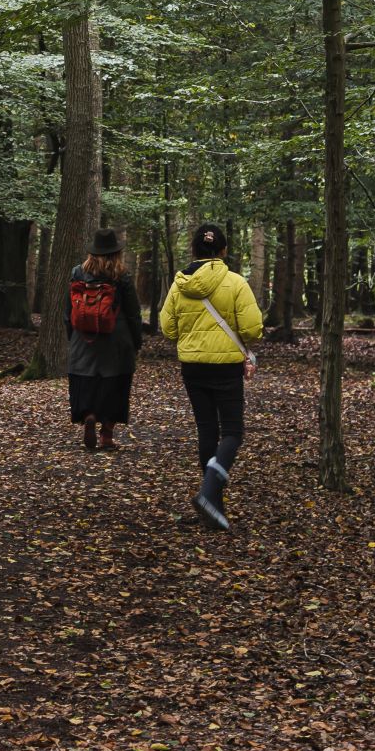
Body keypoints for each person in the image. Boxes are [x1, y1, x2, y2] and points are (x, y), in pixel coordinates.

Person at [157, 222, 263, 530]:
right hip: (226, 367)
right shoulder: (236, 283)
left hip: (193, 366)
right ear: (224, 250)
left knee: (207, 430)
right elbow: (252, 328)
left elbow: (168, 329)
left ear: (194, 249)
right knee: (232, 432)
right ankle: (209, 492)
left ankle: (212, 504)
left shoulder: (180, 285)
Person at [65, 227, 145, 452]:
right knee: (116, 386)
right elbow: (133, 312)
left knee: (85, 383)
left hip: (83, 339)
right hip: (116, 340)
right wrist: (136, 340)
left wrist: (72, 337)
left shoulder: (77, 273)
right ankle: (106, 436)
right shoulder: (121, 276)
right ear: (116, 252)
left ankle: (89, 415)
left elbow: (68, 310)